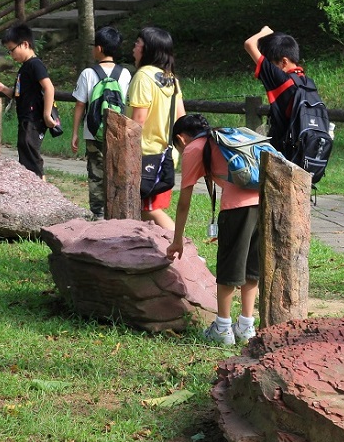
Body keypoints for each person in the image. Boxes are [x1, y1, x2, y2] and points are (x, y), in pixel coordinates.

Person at [166, 114, 258, 346]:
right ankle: (247, 326)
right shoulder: (222, 137)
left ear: (180, 139)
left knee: (228, 267)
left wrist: (177, 240)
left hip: (236, 208)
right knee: (251, 267)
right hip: (262, 201)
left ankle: (223, 328)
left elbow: (184, 202)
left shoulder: (193, 149)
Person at [127, 26, 186, 230]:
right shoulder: (170, 79)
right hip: (166, 155)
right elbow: (181, 118)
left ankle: (184, 249)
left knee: (148, 210)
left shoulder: (143, 76)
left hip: (145, 155)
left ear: (148, 49)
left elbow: (138, 121)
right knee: (148, 210)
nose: (134, 47)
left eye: (138, 43)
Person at [70, 26, 131, 219]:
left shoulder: (88, 73)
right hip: (118, 131)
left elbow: (80, 105)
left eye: (94, 46)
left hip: (93, 132)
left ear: (100, 48)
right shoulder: (125, 74)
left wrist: (75, 133)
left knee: (96, 173)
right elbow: (127, 104)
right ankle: (117, 211)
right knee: (117, 170)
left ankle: (98, 213)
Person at [0, 23, 57, 178]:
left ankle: (39, 187)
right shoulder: (25, 67)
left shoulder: (35, 65)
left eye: (12, 50)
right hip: (25, 117)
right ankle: (31, 186)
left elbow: (49, 88)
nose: (11, 54)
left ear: (25, 44)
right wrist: (5, 90)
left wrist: (47, 115)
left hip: (34, 118)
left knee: (30, 151)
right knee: (24, 150)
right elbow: (21, 93)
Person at [244, 25, 304, 155]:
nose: (270, 67)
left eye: (271, 63)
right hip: (306, 154)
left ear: (284, 62)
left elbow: (249, 44)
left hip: (285, 154)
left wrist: (265, 32)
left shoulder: (280, 79)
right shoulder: (305, 81)